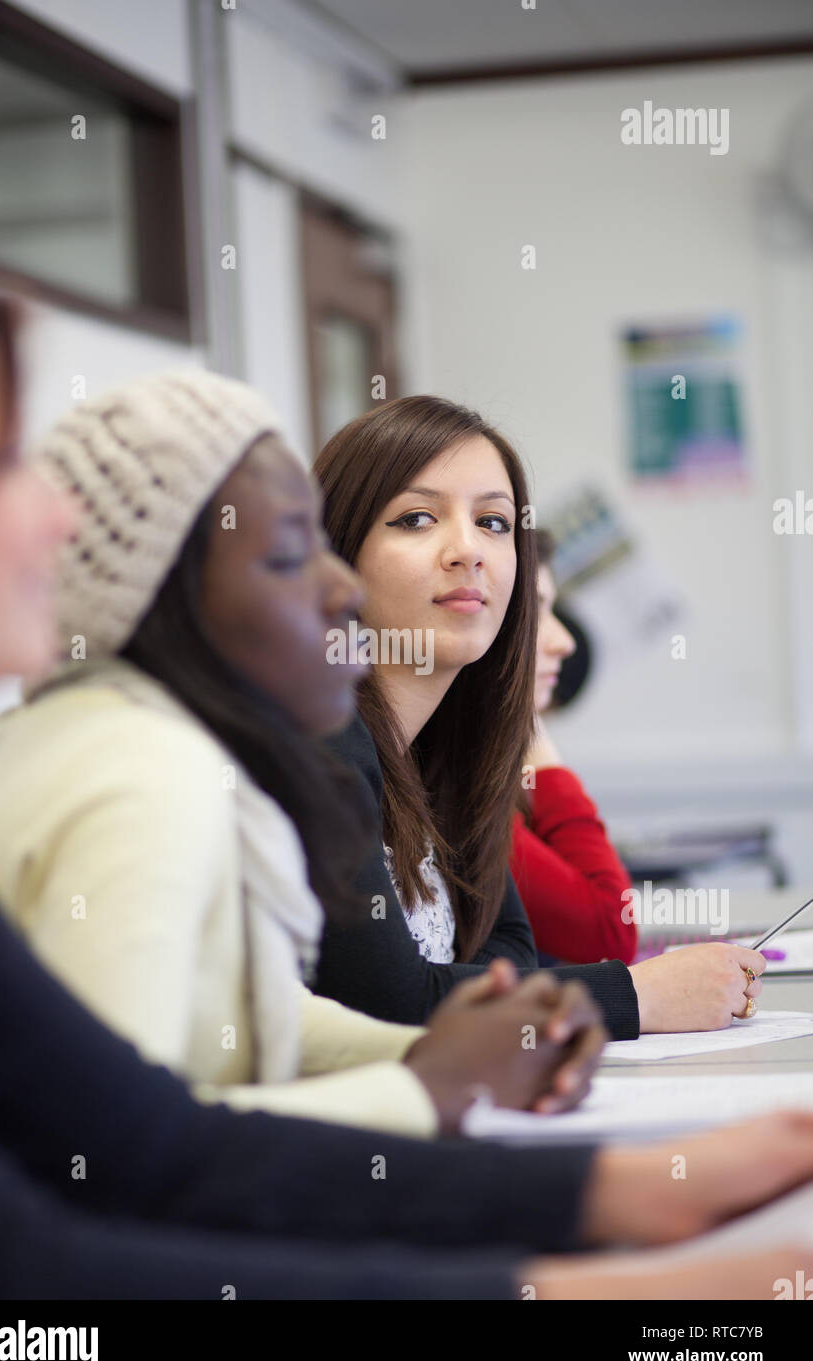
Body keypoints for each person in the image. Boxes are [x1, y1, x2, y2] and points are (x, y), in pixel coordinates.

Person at [0, 277, 811, 1301]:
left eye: (496, 524)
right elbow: (117, 1179)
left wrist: (589, 1179)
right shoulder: (156, 765)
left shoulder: (382, 752)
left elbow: (219, 1071)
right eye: (1, 466)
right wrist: (573, 1235)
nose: (338, 590)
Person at [0, 363, 608, 1134]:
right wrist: (430, 1088)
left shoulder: (130, 742)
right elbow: (105, 1143)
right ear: (176, 598)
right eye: (293, 554)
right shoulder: (141, 770)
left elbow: (268, 1018)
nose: (342, 590)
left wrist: (449, 1058)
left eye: (494, 523)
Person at [313, 396, 764, 1035]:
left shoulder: (449, 749)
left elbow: (509, 952)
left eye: (494, 523)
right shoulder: (324, 740)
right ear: (337, 559)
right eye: (416, 518)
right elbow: (386, 1002)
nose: (467, 550)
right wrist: (639, 997)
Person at [509, 529, 637, 965]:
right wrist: (535, 740)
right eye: (538, 609)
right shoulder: (445, 790)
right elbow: (610, 933)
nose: (564, 641)